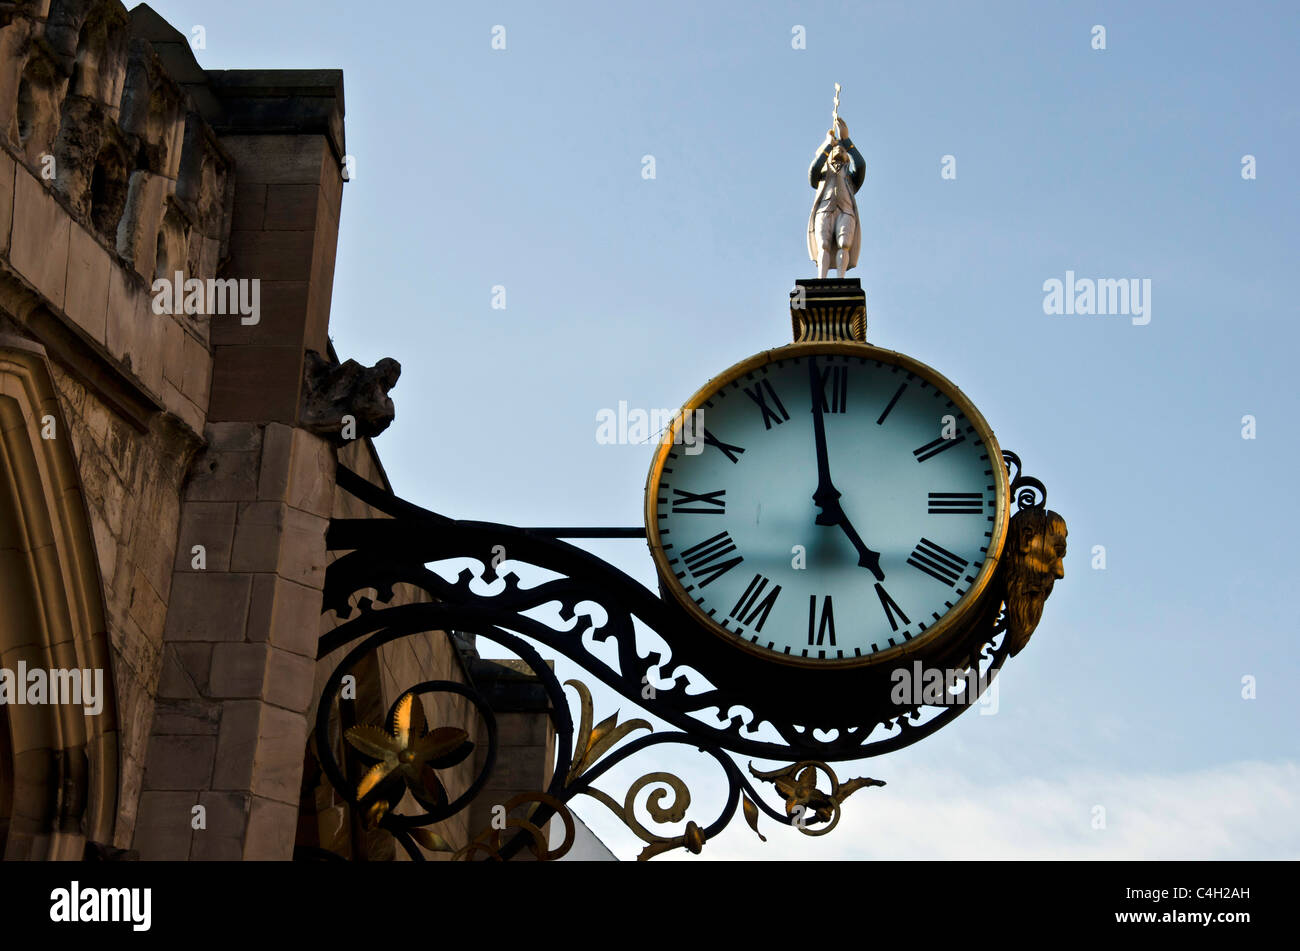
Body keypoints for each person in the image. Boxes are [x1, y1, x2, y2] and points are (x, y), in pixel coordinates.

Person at [807, 117, 866, 278]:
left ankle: (840, 277)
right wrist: (828, 144)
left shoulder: (850, 178)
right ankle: (821, 277)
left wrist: (846, 140)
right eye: (836, 149)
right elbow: (813, 170)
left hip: (845, 211)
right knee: (824, 244)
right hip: (825, 210)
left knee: (844, 244)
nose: (840, 151)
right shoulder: (822, 176)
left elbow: (860, 165)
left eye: (843, 150)